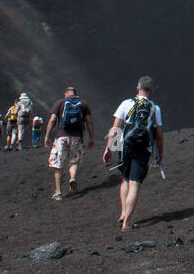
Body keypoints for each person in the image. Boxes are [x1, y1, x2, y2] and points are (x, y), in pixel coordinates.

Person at [103, 76, 163, 230]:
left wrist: (109, 147)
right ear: (152, 90)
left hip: (126, 146)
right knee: (134, 183)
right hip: (143, 149)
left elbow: (116, 126)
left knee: (125, 179)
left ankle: (123, 213)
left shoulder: (126, 104)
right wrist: (160, 153)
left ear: (137, 88)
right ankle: (127, 222)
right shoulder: (154, 108)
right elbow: (159, 134)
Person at [45, 86, 95, 201]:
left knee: (58, 164)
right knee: (74, 160)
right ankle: (72, 178)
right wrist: (92, 138)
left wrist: (47, 136)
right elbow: (89, 122)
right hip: (77, 137)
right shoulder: (83, 104)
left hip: (62, 137)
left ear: (65, 94)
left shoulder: (60, 103)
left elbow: (52, 120)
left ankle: (58, 192)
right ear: (76, 94)